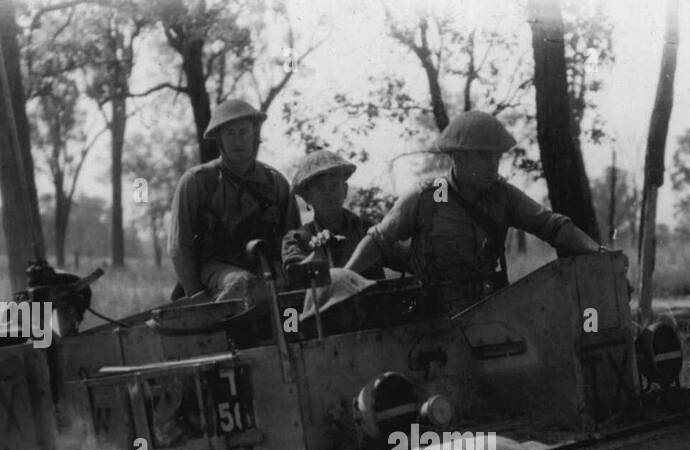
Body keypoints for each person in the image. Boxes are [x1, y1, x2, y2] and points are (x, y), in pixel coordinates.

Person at [343, 110, 604, 314]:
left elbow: (552, 226)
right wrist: (345, 277)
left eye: (497, 157)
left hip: (492, 311)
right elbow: (378, 240)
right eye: (485, 157)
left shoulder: (503, 195)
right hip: (435, 320)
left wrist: (598, 253)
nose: (494, 166)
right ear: (459, 158)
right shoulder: (428, 197)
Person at [167, 99, 300, 302]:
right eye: (230, 133)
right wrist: (195, 294)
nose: (238, 140)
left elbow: (293, 238)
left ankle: (291, 332)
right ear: (219, 139)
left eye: (244, 132)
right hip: (215, 269)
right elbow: (180, 244)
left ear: (255, 135)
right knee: (240, 282)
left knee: (288, 288)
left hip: (265, 265)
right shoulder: (198, 181)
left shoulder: (275, 182)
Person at [282, 150, 385, 284]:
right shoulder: (297, 240)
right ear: (307, 197)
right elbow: (295, 279)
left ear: (345, 190)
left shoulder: (366, 230)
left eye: (334, 186)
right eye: (321, 188)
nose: (329, 195)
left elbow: (404, 259)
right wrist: (318, 255)